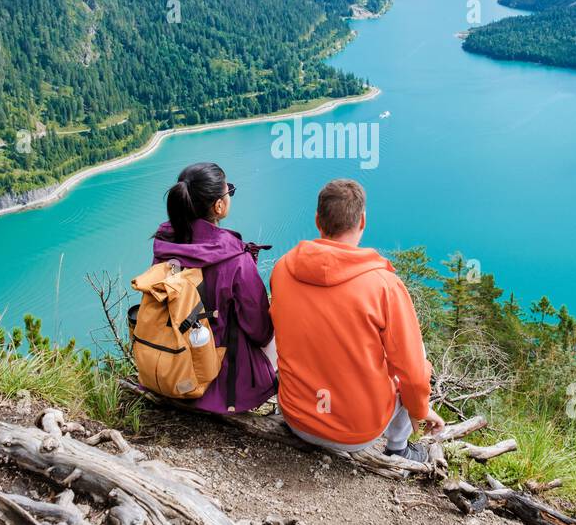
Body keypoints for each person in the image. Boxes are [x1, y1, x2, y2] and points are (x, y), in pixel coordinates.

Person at [270, 178, 445, 462]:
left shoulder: (282, 270)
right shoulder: (384, 286)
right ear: (362, 221)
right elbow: (412, 374)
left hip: (296, 416)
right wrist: (421, 409)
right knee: (416, 357)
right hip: (357, 433)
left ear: (317, 220)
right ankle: (398, 448)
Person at [152, 162, 276, 413]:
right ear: (219, 206)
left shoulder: (164, 244)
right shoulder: (235, 259)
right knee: (275, 333)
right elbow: (260, 330)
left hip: (169, 363)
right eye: (228, 191)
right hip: (221, 382)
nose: (229, 195)